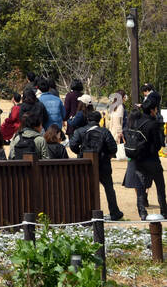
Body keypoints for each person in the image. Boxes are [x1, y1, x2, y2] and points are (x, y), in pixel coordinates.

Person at [69, 99, 122, 220]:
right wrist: (106, 156)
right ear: (99, 120)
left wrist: (82, 154)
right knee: (109, 189)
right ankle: (114, 212)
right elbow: (113, 148)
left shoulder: (80, 131)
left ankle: (84, 213)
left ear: (88, 119)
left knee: (84, 189)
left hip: (85, 165)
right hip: (103, 164)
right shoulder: (105, 131)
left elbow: (72, 145)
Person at [124, 92, 166, 221]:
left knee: (141, 186)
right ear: (153, 110)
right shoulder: (153, 124)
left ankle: (142, 213)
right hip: (151, 159)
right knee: (160, 185)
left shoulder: (136, 121)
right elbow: (159, 144)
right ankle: (164, 212)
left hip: (138, 159)